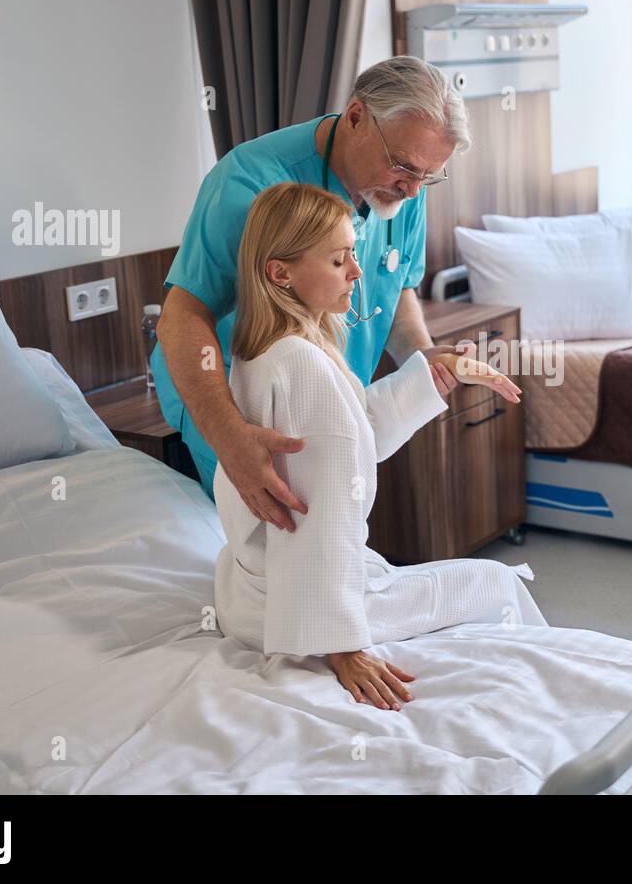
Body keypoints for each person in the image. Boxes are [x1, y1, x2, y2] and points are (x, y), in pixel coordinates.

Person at [212, 182, 547, 709]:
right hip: (298, 607)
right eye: (339, 259)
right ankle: (540, 700)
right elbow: (316, 517)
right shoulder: (302, 366)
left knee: (473, 580)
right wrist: (343, 645)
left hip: (252, 592)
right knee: (494, 582)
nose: (357, 271)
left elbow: (348, 434)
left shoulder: (261, 350)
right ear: (281, 273)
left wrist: (436, 374)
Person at [151, 56, 481, 527]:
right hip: (238, 401)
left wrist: (422, 361)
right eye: (403, 169)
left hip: (327, 390)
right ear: (355, 117)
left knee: (326, 535)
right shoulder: (249, 184)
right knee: (268, 545)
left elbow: (397, 283)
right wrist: (230, 437)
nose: (411, 192)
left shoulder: (407, 182)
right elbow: (181, 318)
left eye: (427, 177)